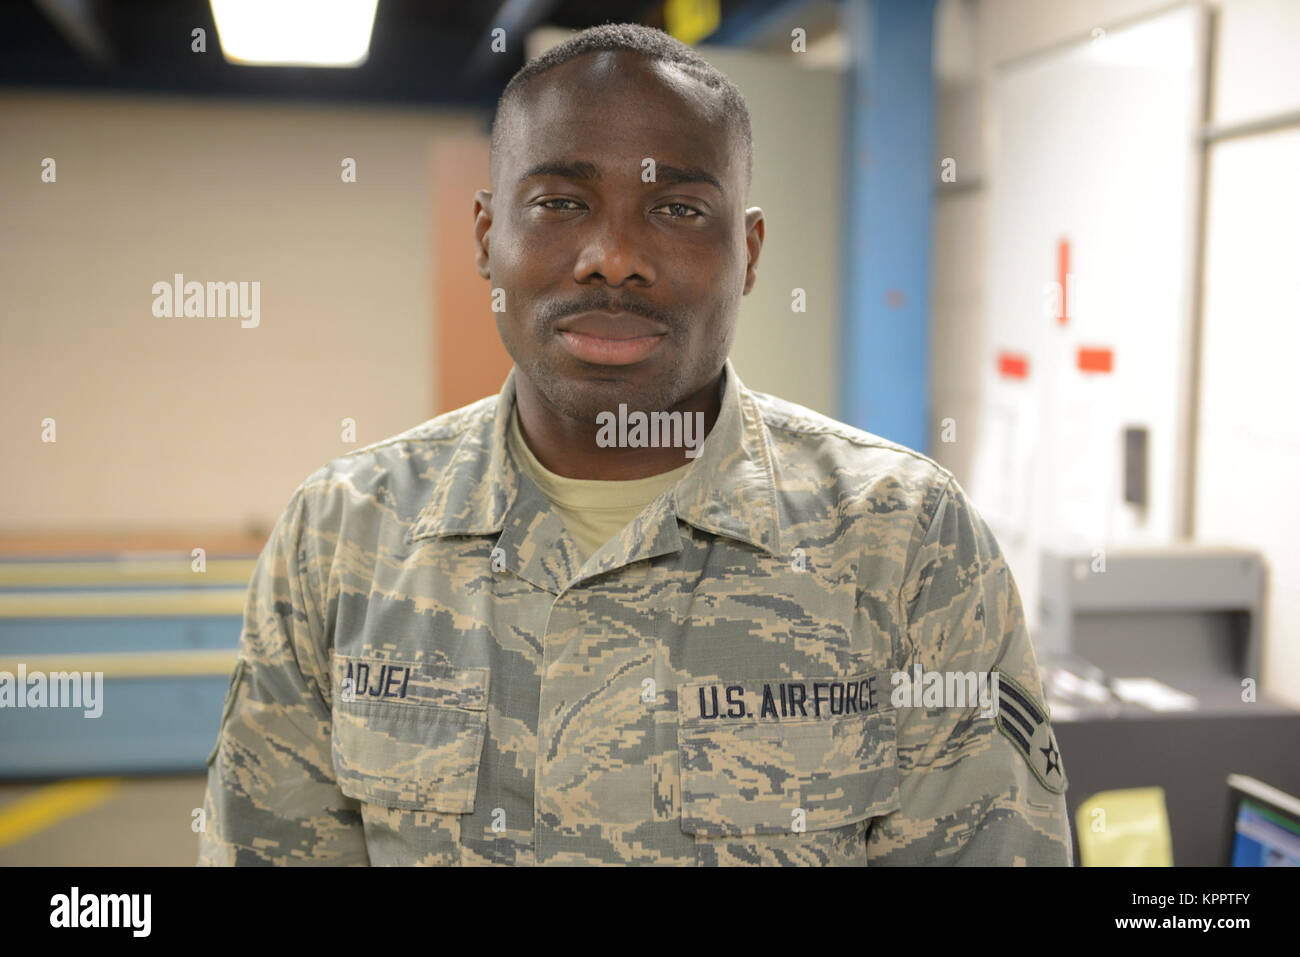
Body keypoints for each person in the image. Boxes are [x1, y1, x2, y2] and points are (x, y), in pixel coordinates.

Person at [198, 22, 1071, 866]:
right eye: (560, 204)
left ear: (749, 252)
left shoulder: (905, 540)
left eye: (679, 209)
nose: (613, 257)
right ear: (485, 237)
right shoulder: (344, 534)